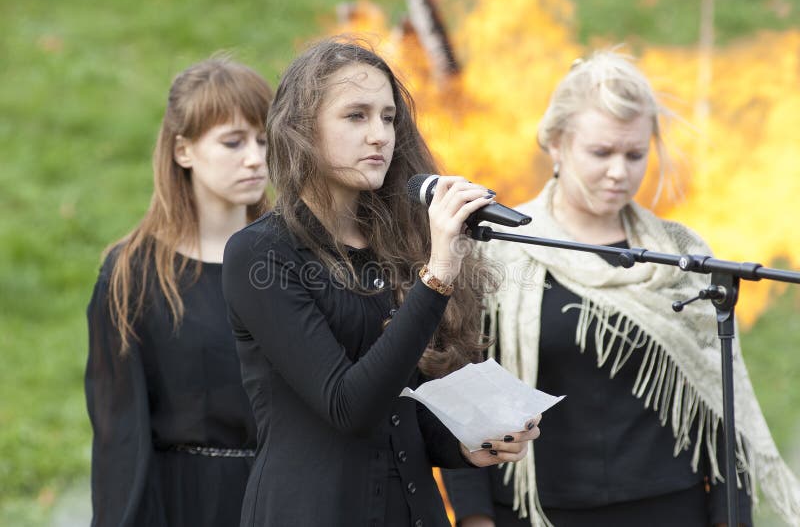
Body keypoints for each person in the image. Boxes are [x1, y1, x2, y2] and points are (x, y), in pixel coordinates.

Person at [442, 51, 800, 526]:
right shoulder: (502, 252)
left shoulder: (680, 251)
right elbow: (464, 386)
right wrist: (474, 517)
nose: (619, 171)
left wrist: (731, 516)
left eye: (635, 154)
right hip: (538, 510)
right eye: (601, 152)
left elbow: (721, 403)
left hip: (674, 506)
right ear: (556, 143)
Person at [221, 36, 541, 527]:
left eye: (388, 118)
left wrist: (465, 443)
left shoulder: (397, 242)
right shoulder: (260, 254)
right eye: (356, 116)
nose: (380, 135)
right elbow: (349, 406)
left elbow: (398, 407)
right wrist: (436, 278)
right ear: (303, 128)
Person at [84, 57, 273, 527]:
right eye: (233, 142)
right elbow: (119, 437)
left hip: (286, 497)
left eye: (263, 141)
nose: (254, 158)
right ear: (183, 151)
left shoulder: (293, 263)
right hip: (186, 504)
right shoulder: (134, 273)